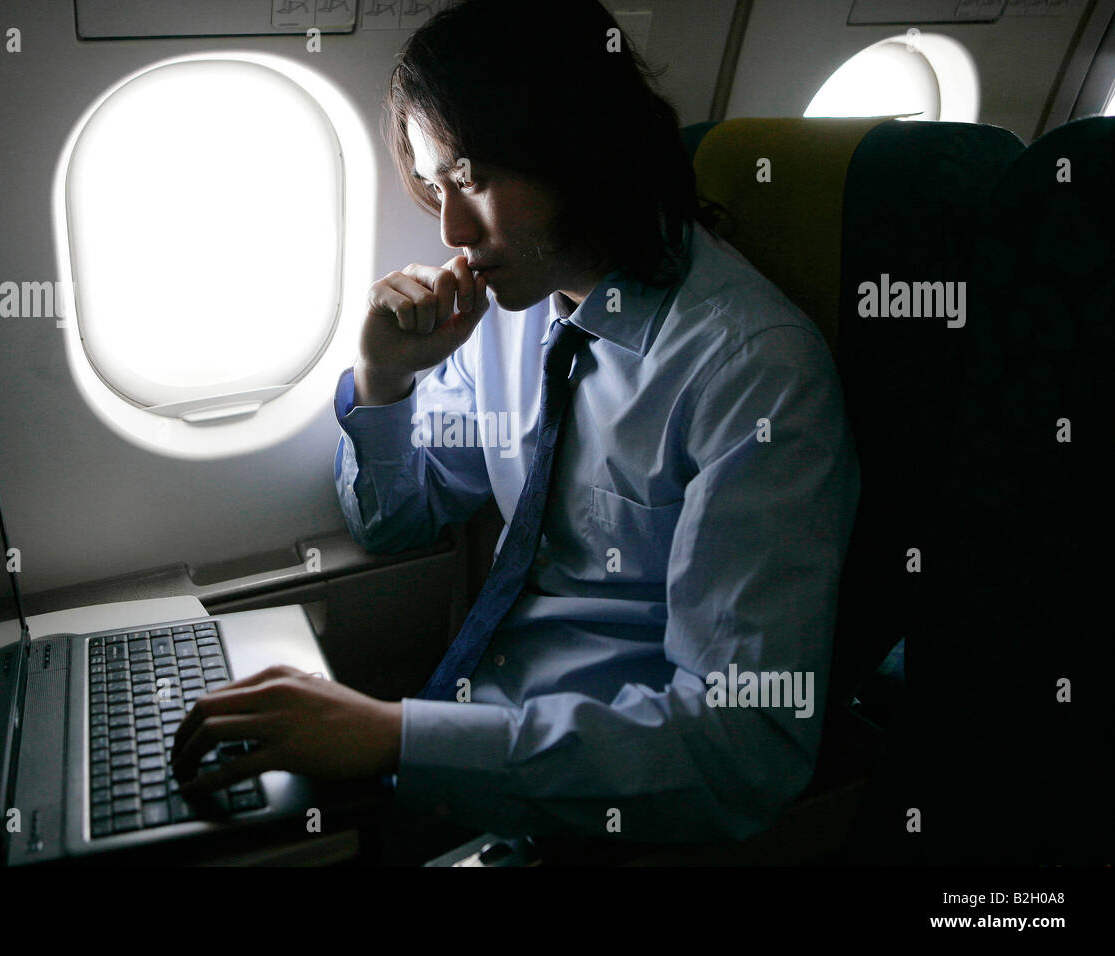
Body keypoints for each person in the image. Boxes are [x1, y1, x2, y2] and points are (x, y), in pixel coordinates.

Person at [173, 0, 859, 852]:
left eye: (472, 180)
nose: (450, 232)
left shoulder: (752, 373)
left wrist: (394, 735)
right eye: (434, 187)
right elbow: (395, 518)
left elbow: (738, 748)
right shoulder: (514, 314)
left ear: (576, 148)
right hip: (460, 746)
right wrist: (383, 376)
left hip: (601, 814)